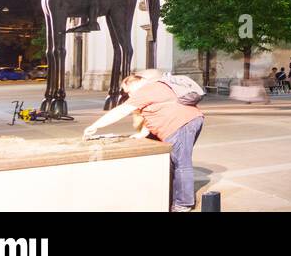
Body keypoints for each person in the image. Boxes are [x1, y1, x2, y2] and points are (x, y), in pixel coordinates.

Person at [84, 69, 205, 212]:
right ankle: (171, 197)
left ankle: (183, 204)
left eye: (127, 91)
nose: (128, 95)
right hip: (189, 121)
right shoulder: (157, 87)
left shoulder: (145, 90)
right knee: (173, 162)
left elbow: (120, 111)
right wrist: (142, 134)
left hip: (180, 124)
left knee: (181, 163)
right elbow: (156, 110)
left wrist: (95, 126)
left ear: (134, 83)